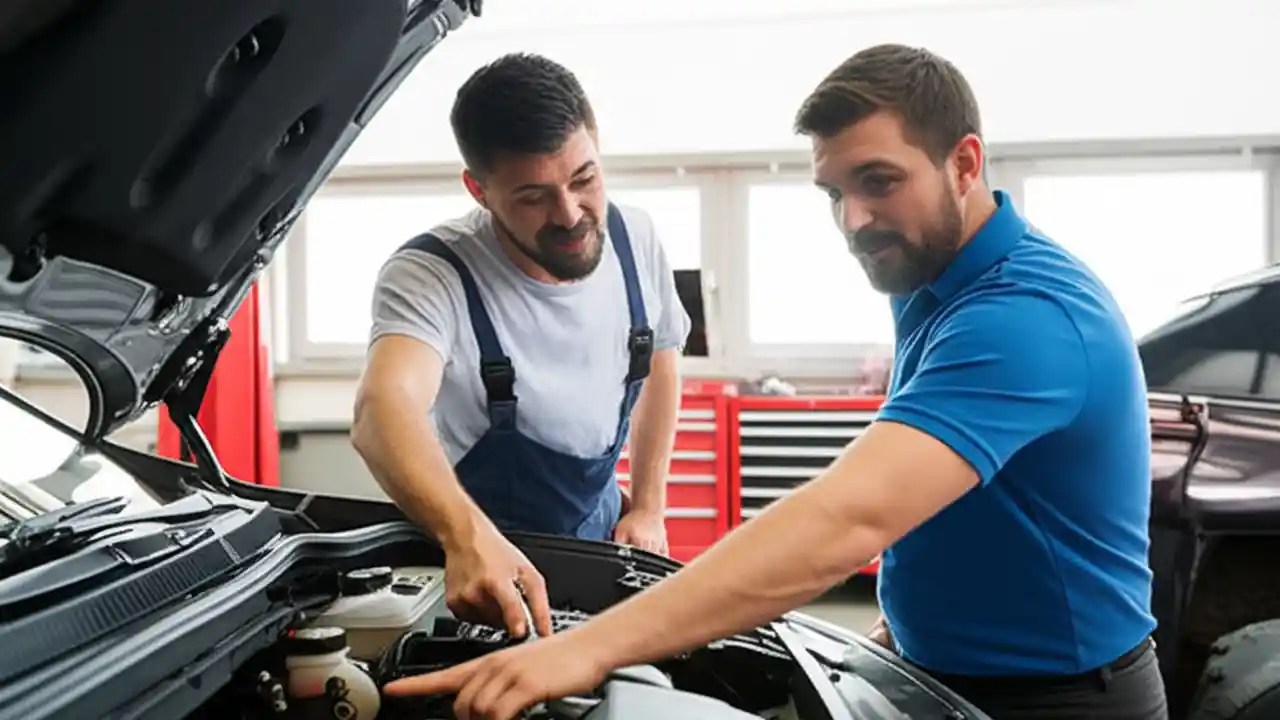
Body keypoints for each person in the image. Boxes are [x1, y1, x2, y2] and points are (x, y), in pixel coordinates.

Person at [381, 43, 1168, 720]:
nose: (853, 220)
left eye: (879, 181)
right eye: (834, 192)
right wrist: (908, 628)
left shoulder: (1022, 320)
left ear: (965, 162)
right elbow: (959, 497)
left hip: (1055, 699)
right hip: (944, 667)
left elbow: (848, 518)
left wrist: (582, 653)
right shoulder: (933, 278)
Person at [351, 53, 691, 641]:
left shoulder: (636, 239)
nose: (570, 214)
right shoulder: (433, 273)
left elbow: (660, 360)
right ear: (479, 191)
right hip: (480, 555)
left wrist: (649, 506)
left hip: (604, 528)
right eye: (533, 196)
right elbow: (383, 411)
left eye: (584, 179)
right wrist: (466, 538)